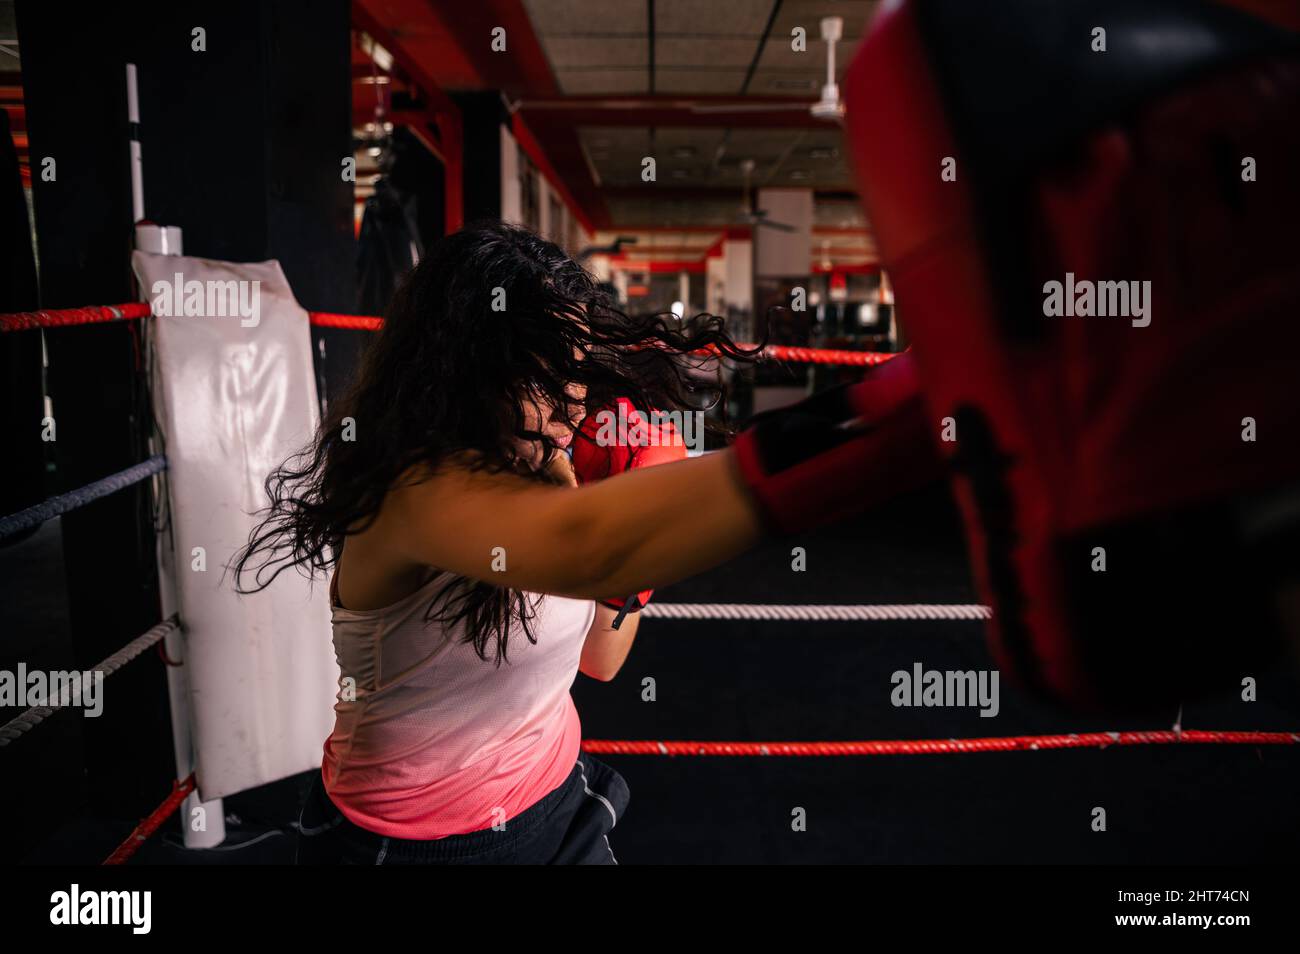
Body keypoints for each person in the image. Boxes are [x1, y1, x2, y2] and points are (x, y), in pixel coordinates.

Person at [233, 220, 932, 864]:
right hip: (418, 844)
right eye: (543, 373)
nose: (572, 399)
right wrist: (883, 430)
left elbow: (602, 656)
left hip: (556, 798)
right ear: (466, 370)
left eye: (574, 366)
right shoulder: (413, 489)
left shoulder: (547, 465)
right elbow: (592, 551)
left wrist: (618, 489)